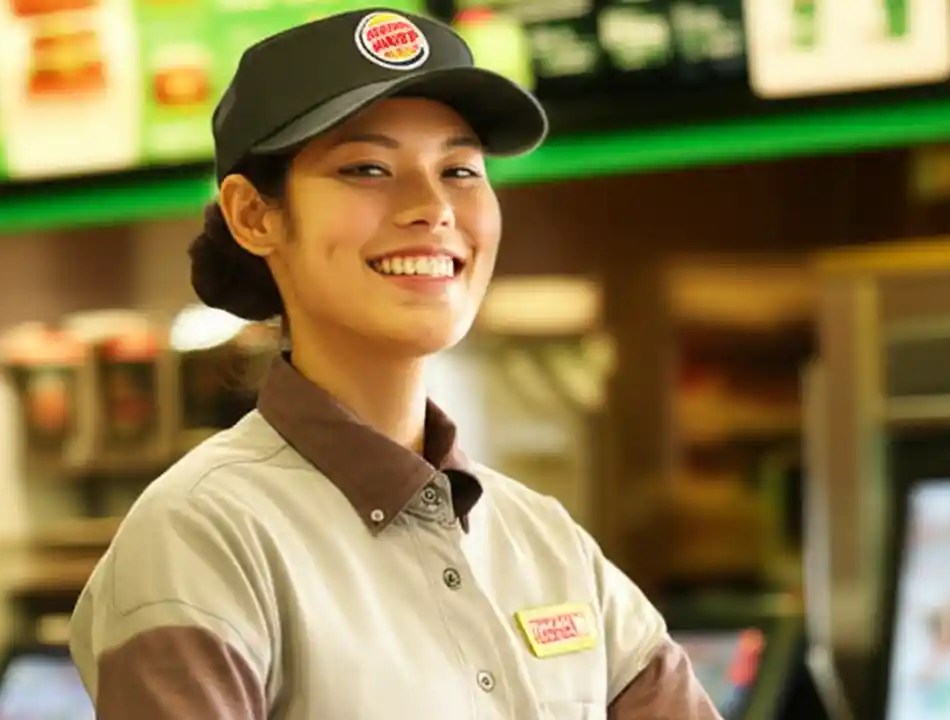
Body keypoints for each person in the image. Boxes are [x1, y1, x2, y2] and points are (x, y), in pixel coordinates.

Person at [69, 7, 721, 718]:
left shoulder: (544, 539)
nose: (433, 206)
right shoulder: (202, 534)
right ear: (254, 215)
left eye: (460, 168)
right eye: (367, 168)